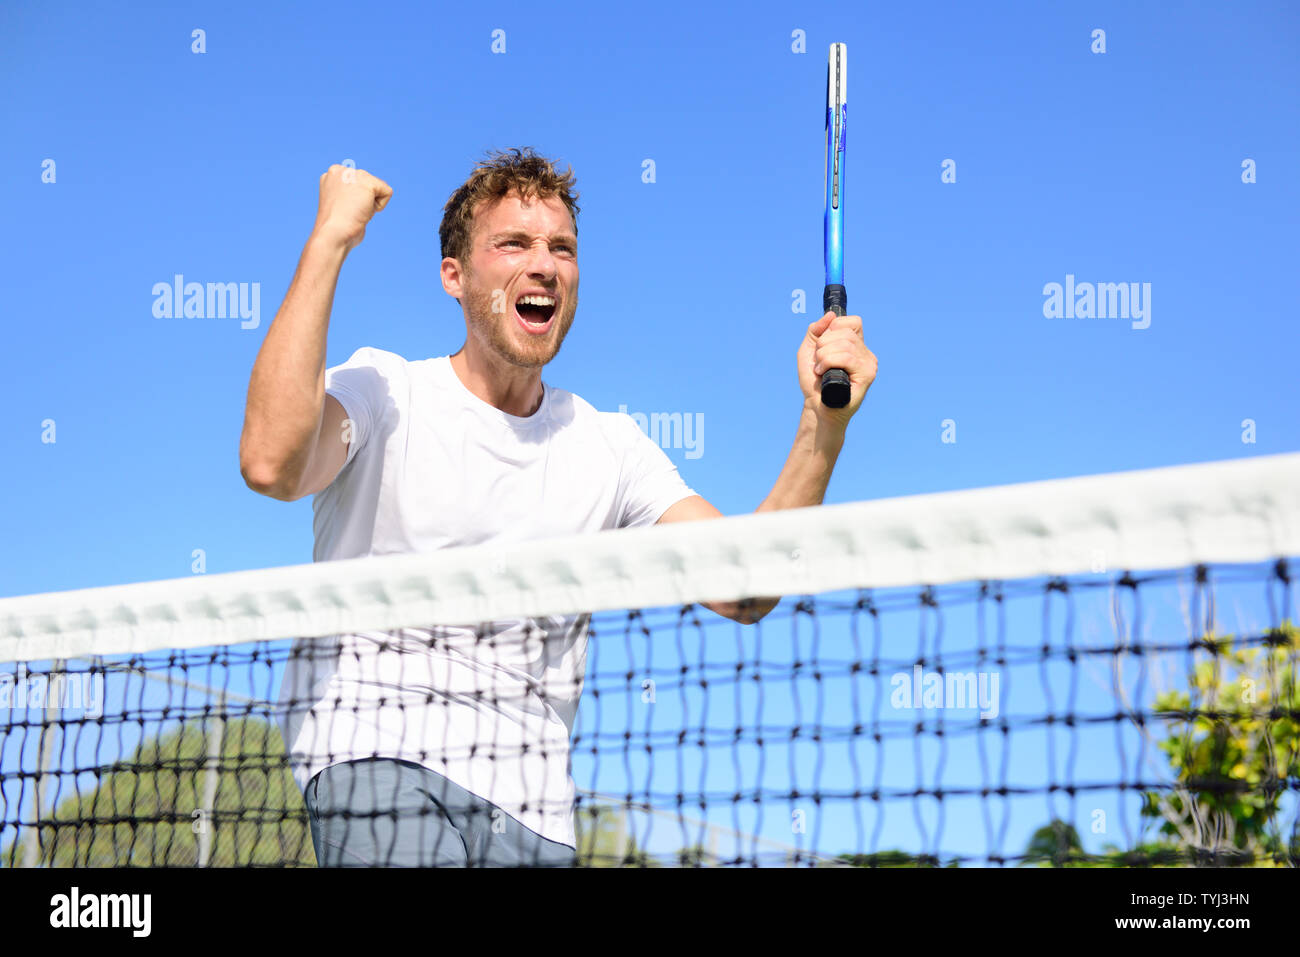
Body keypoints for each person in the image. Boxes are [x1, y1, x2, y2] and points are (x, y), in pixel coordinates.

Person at [239, 148, 877, 867]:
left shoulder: (610, 445)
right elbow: (270, 461)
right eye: (514, 243)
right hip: (379, 756)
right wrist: (328, 243)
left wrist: (823, 425)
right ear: (454, 275)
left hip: (536, 813)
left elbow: (745, 586)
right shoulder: (385, 389)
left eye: (562, 248)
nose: (544, 264)